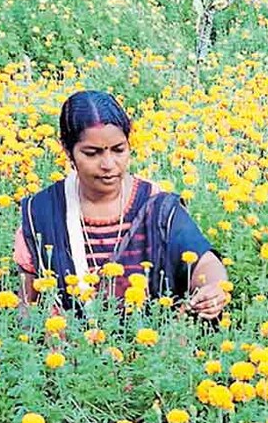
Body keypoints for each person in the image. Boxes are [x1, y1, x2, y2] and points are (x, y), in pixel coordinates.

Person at [13, 90, 228, 319]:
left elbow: (205, 264)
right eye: (92, 153)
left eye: (119, 150)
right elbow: (27, 305)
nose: (108, 164)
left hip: (155, 349)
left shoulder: (158, 207)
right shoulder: (42, 213)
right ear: (67, 151)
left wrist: (213, 290)